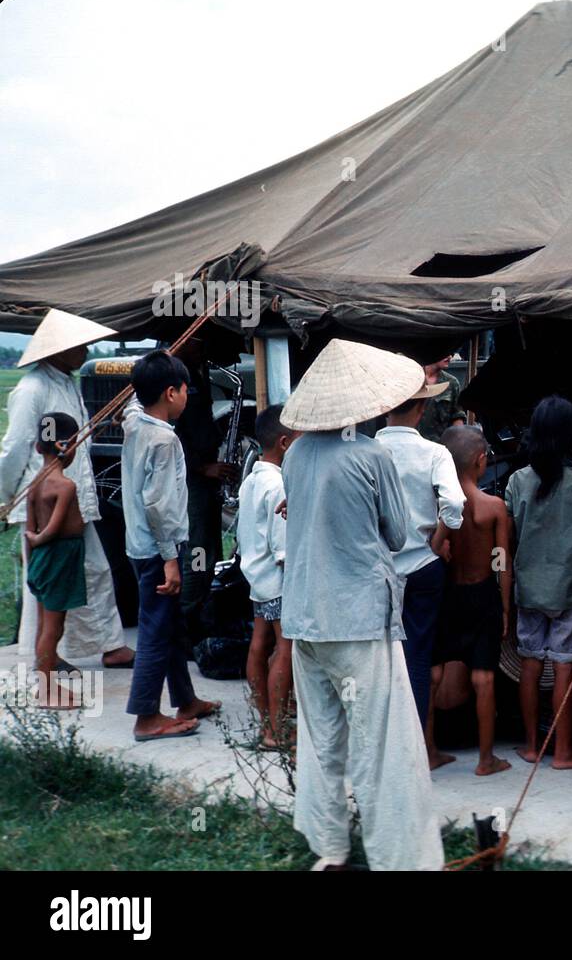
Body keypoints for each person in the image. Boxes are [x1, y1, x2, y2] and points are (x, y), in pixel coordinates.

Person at [280, 339, 443, 871]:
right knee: (383, 746)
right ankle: (402, 858)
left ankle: (329, 850)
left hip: (305, 614)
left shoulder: (298, 452)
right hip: (357, 617)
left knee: (322, 739)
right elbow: (397, 536)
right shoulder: (372, 455)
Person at [0, 308, 132, 669]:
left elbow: (75, 442)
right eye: (80, 346)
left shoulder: (67, 384)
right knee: (44, 585)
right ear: (59, 350)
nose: (86, 352)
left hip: (73, 498)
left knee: (95, 572)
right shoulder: (33, 389)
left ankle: (107, 645)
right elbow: (15, 448)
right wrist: (7, 498)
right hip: (43, 502)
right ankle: (45, 656)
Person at [121, 351, 221, 742]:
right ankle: (146, 717)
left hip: (138, 546)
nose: (187, 396)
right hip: (156, 551)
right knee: (154, 632)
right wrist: (170, 562)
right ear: (170, 392)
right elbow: (160, 507)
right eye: (184, 389)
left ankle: (186, 699)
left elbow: (133, 400)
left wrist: (164, 359)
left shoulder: (134, 421)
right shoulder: (163, 440)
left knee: (172, 626)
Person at [506, 395, 572, 769]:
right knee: (564, 666)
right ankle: (563, 752)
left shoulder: (517, 481)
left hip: (529, 590)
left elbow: (511, 536)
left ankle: (532, 746)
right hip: (570, 591)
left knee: (530, 664)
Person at [376, 381, 465, 769]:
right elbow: (455, 505)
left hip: (376, 571)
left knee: (377, 657)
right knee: (417, 657)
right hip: (423, 567)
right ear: (421, 410)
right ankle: (414, 752)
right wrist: (437, 539)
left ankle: (385, 751)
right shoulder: (435, 452)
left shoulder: (366, 451)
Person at [438, 425, 512, 777]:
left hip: (449, 594)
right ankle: (486, 759)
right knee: (484, 679)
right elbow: (502, 563)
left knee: (434, 672)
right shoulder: (493, 507)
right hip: (483, 595)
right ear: (481, 461)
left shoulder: (440, 506)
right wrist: (506, 606)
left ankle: (428, 749)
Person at [171, 335, 240, 646]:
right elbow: (172, 437)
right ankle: (185, 626)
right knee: (197, 551)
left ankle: (199, 619)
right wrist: (202, 468)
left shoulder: (195, 371)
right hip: (193, 479)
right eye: (195, 340)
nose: (201, 346)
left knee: (210, 550)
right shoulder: (173, 377)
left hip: (205, 475)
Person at [237, 405, 298, 749]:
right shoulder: (277, 485)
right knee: (285, 650)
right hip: (277, 580)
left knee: (260, 646)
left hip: (256, 577)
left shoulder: (252, 480)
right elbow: (283, 547)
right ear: (286, 442)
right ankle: (278, 730)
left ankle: (266, 725)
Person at [24, 411, 87, 709]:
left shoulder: (34, 484)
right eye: (74, 443)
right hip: (59, 557)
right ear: (65, 447)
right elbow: (50, 529)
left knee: (44, 624)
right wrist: (39, 540)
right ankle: (47, 690)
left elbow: (29, 527)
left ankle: (45, 682)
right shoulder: (65, 486)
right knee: (54, 627)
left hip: (41, 562)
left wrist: (32, 558)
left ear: (38, 447)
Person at [416, 356, 462, 442]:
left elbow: (457, 417)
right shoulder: (413, 378)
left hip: (440, 446)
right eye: (445, 353)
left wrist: (456, 443)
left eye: (451, 353)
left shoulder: (451, 383)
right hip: (412, 444)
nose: (450, 357)